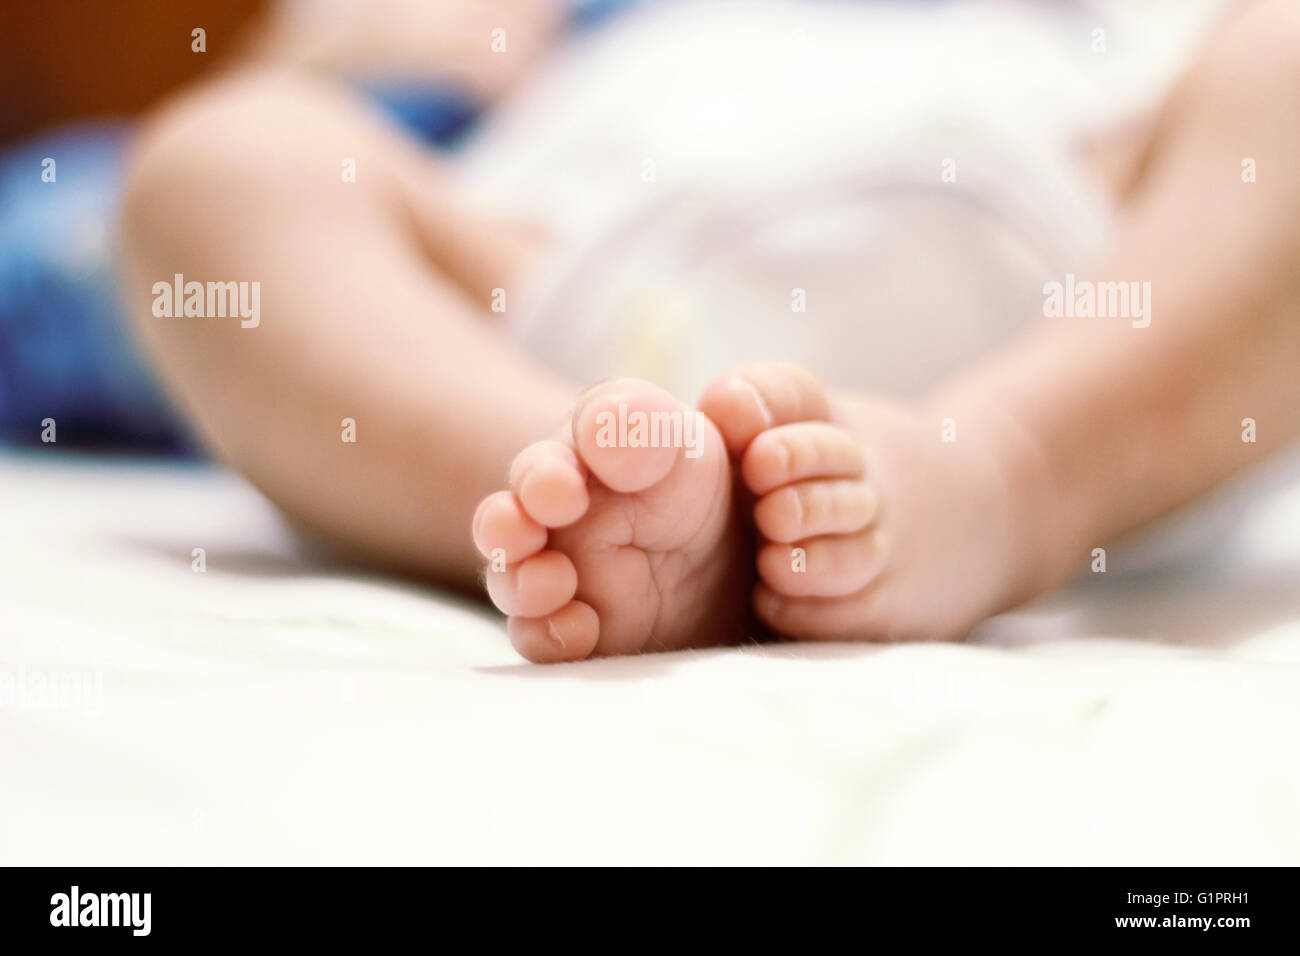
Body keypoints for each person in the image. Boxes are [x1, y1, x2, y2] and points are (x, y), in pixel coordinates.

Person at [117, 0, 1300, 661]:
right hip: (568, 280)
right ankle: (567, 480)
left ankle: (1008, 472)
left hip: (1069, 245)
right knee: (217, 158)